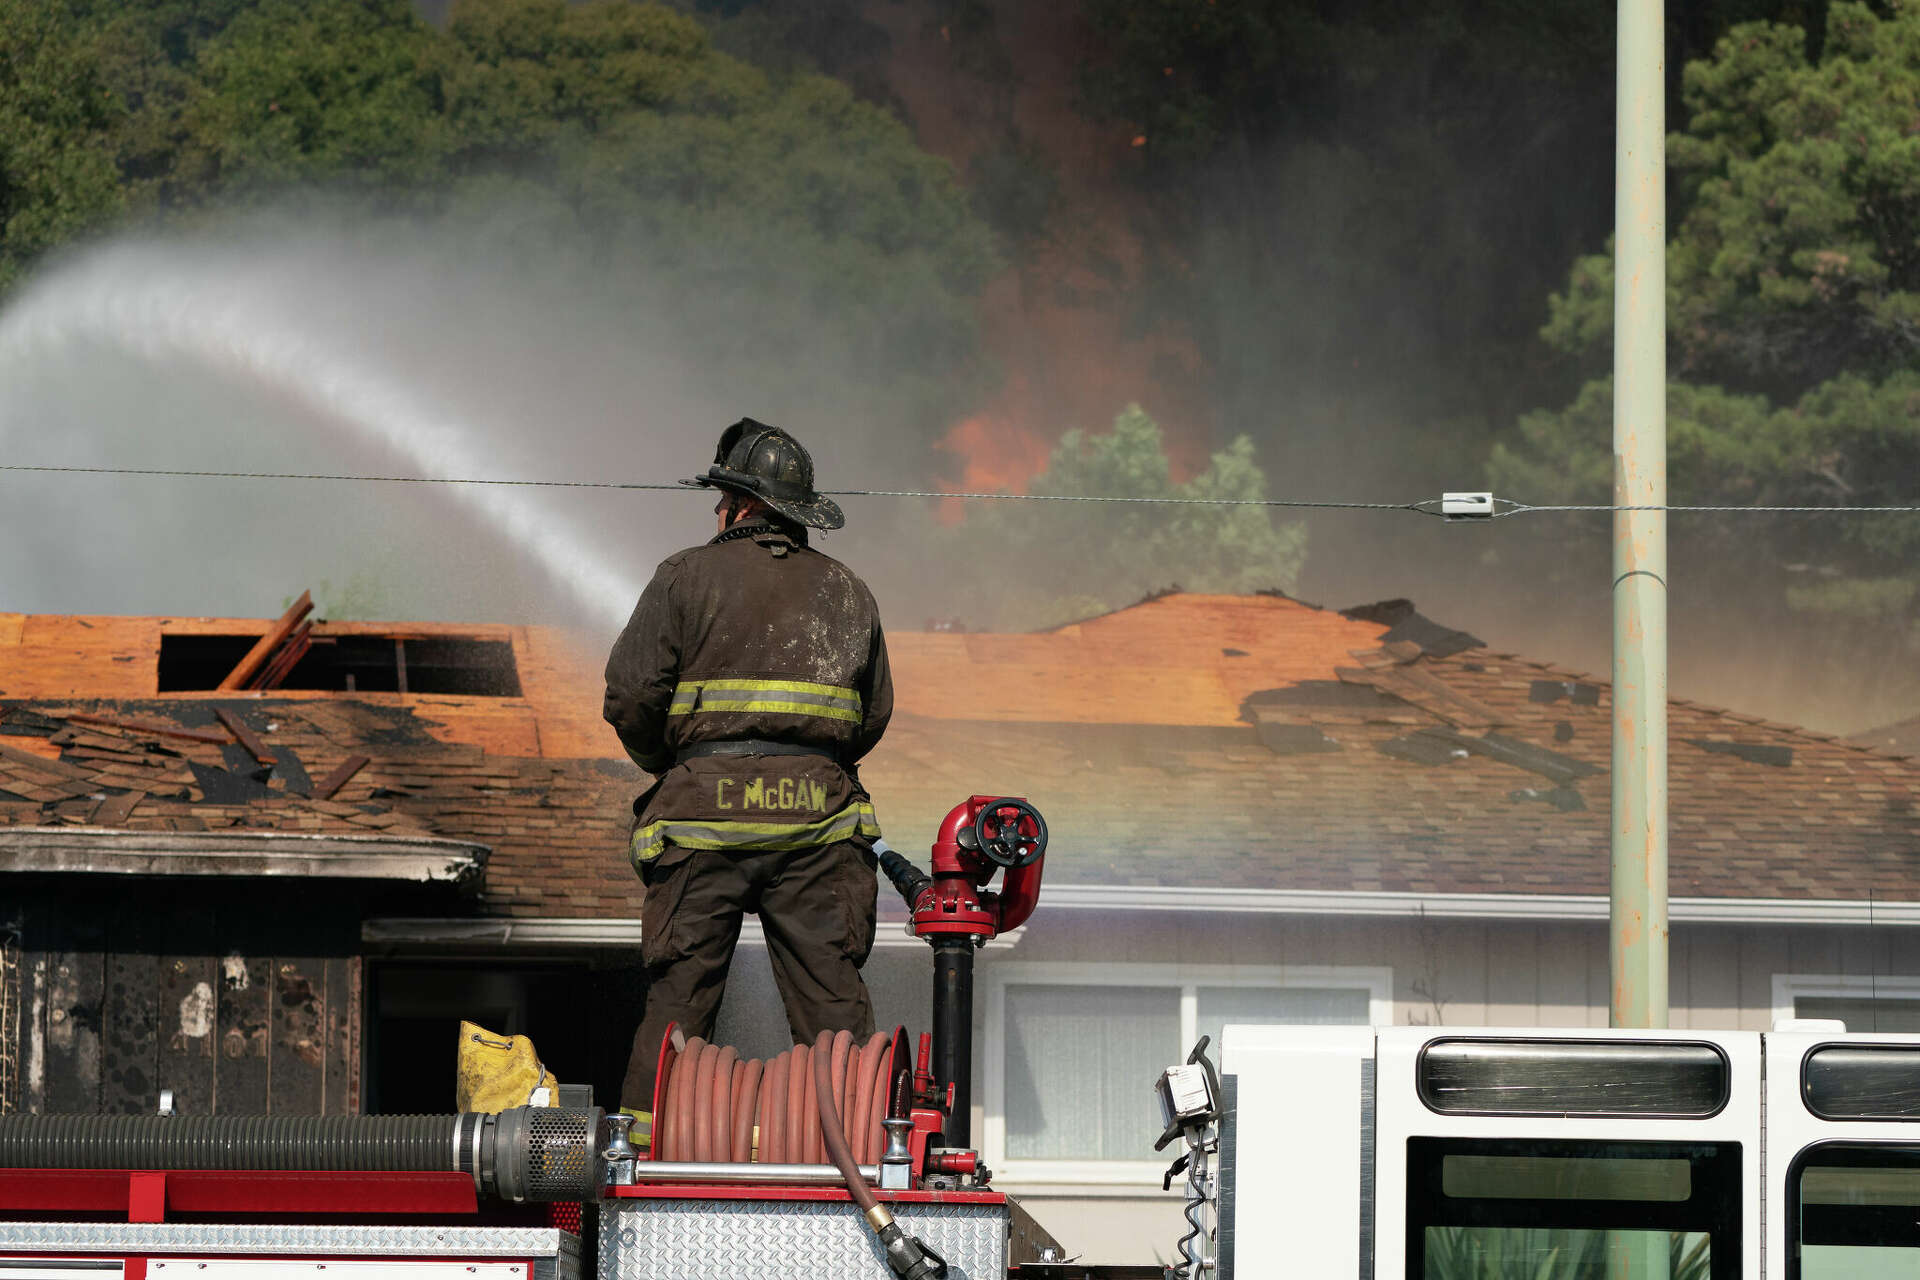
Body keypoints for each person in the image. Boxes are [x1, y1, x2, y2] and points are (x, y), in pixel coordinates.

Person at [603, 418, 892, 1140]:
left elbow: (631, 696)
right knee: (833, 1003)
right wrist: (810, 767)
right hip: (819, 827)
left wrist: (679, 769)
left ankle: (642, 1152)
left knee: (680, 996)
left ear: (735, 504)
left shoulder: (683, 576)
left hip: (701, 821)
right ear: (796, 512)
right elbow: (873, 714)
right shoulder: (849, 592)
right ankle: (860, 1153)